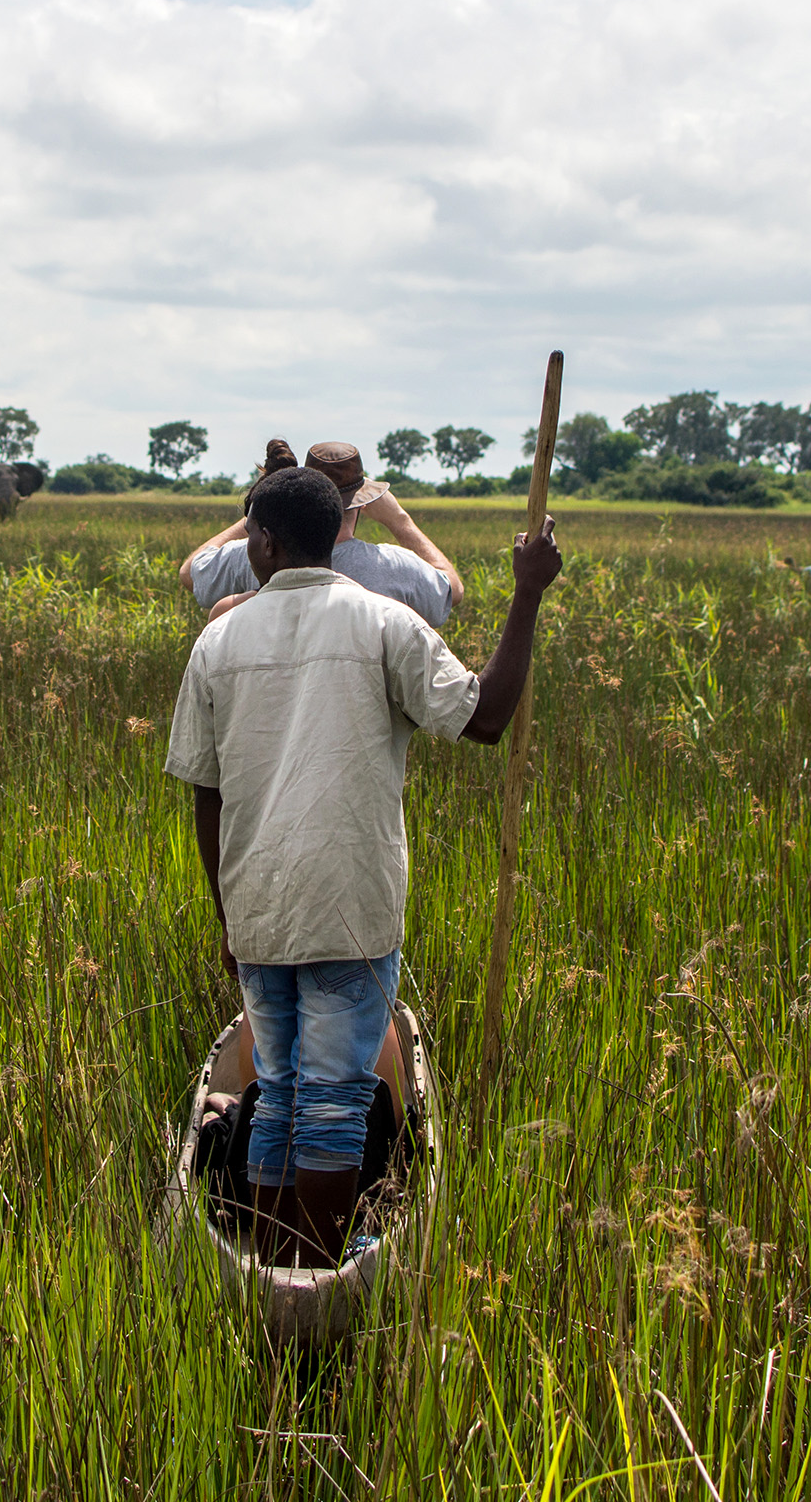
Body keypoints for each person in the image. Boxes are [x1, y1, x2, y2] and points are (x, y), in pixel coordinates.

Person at [164, 465, 562, 1267]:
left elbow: (204, 796)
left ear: (266, 544)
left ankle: (274, 1259)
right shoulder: (383, 623)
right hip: (350, 905)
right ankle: (316, 1267)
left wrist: (226, 917)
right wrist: (527, 595)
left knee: (276, 1095)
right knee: (338, 1102)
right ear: (336, 534)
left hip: (261, 910)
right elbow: (485, 719)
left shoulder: (220, 638)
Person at [181, 441, 462, 626]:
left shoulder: (262, 553)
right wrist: (400, 521)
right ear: (362, 503)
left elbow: (192, 572)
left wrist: (264, 508)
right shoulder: (393, 566)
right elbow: (452, 589)